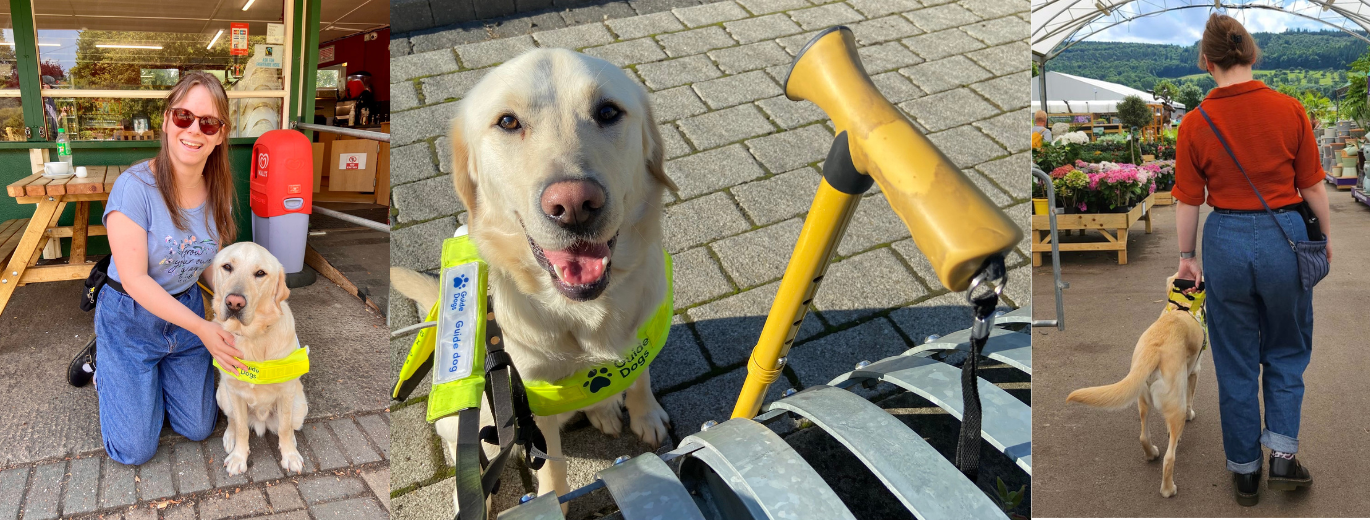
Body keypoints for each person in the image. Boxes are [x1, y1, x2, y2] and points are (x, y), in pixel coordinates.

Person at [1172, 13, 1330, 506]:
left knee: (1236, 360)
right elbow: (1313, 185)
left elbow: (1187, 199)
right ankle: (1283, 458)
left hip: (1224, 240)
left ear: (1206, 61)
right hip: (1285, 236)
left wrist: (1186, 258)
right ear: (1252, 53)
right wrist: (1323, 238)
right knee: (1285, 349)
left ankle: (1244, 473)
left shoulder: (1195, 123)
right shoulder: (1290, 110)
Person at [75, 72, 247, 465]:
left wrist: (236, 304)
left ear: (220, 134)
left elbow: (207, 266)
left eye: (209, 122)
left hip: (184, 314)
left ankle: (146, 382)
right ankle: (108, 364)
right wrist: (204, 328)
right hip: (131, 318)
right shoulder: (134, 188)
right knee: (133, 450)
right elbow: (134, 280)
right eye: (184, 116)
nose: (194, 130)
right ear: (167, 120)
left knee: (199, 427)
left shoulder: (217, 189)